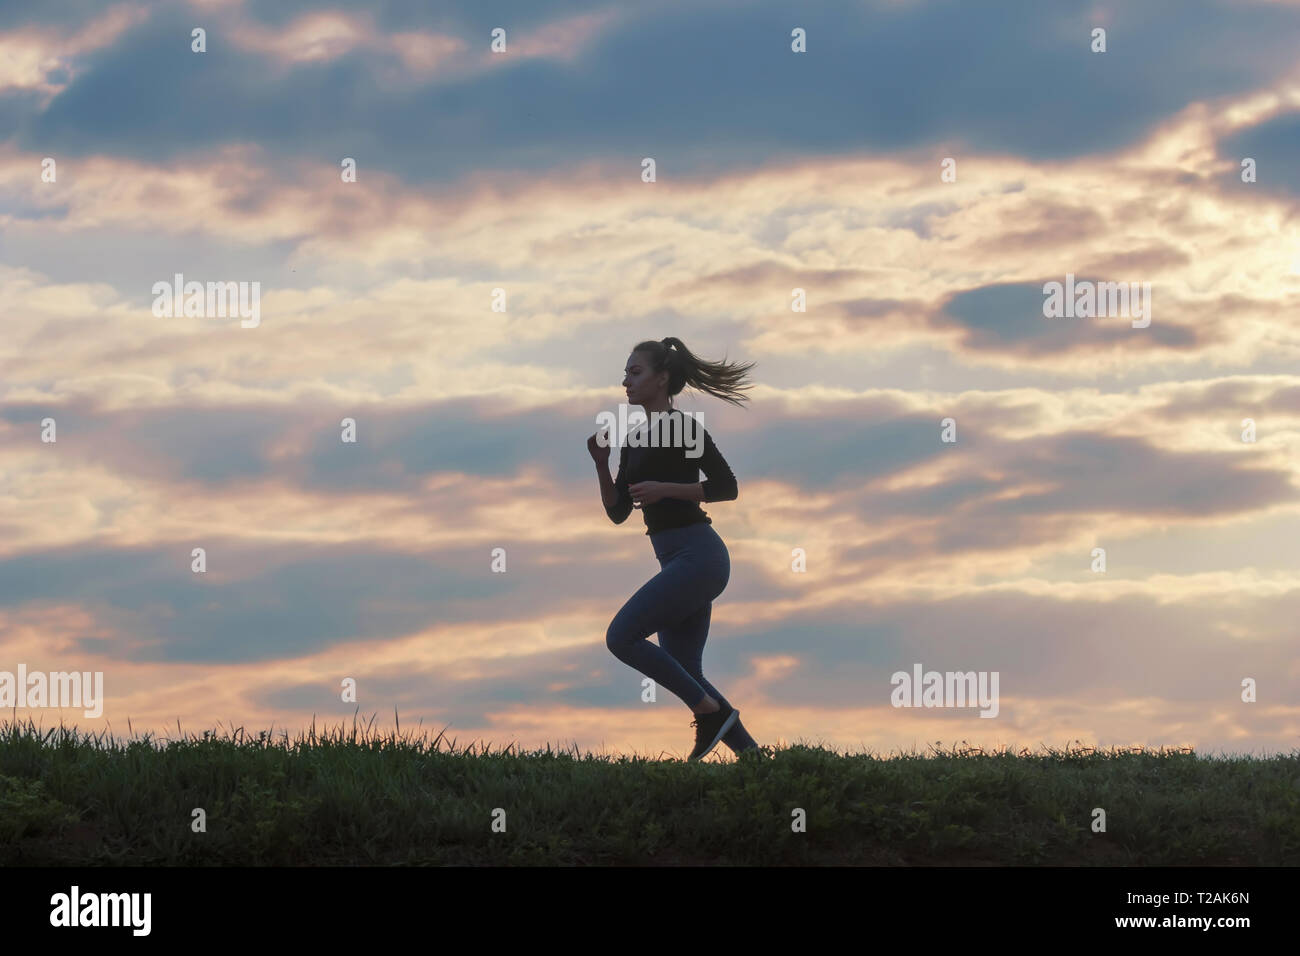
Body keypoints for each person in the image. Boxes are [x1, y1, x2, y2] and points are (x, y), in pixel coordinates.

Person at [587, 336, 764, 761]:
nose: (625, 382)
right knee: (687, 667)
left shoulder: (682, 428)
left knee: (622, 637)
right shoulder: (633, 441)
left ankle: (709, 714)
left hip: (700, 556)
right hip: (675, 560)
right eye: (625, 374)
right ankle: (755, 759)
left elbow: (727, 487)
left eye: (635, 372)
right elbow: (618, 513)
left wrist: (666, 488)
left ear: (661, 378)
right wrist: (600, 463)